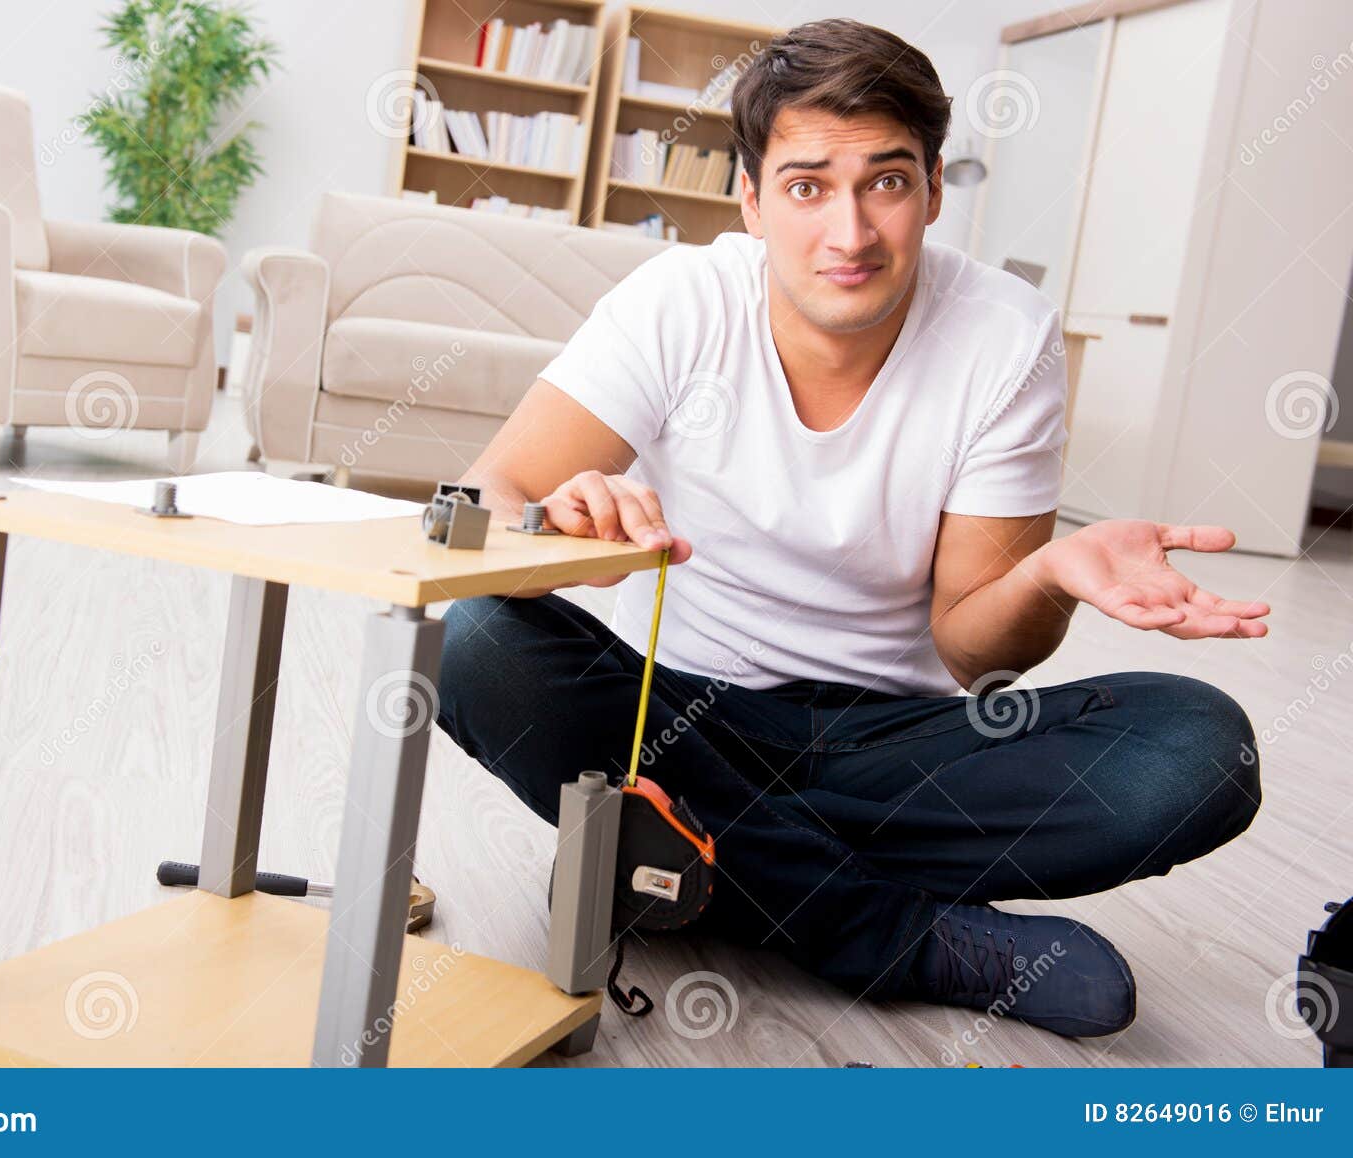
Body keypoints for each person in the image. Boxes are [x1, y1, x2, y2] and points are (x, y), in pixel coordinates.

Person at [434, 18, 1265, 1039]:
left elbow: (971, 648)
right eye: (806, 186)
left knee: (1196, 750)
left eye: (886, 181)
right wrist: (555, 523)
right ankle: (894, 936)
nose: (850, 233)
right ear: (748, 197)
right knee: (466, 630)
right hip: (690, 717)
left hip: (895, 741)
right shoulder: (679, 301)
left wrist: (1047, 576)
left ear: (931, 192)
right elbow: (482, 502)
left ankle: (673, 848)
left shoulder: (1003, 335)